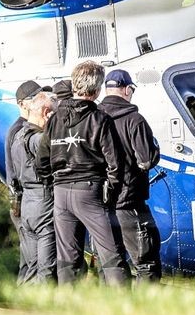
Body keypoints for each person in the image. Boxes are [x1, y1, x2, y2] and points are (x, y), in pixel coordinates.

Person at [42, 60, 127, 285]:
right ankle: (123, 304)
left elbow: (42, 159)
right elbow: (115, 163)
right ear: (97, 89)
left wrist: (52, 182)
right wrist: (111, 190)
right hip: (90, 191)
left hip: (60, 191)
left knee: (67, 258)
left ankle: (68, 307)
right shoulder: (100, 119)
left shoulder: (54, 119)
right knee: (110, 253)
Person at [99, 68, 163, 283]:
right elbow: (146, 160)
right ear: (127, 89)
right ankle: (145, 313)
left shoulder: (93, 118)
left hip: (98, 205)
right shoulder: (135, 120)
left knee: (110, 265)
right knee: (146, 263)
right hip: (130, 203)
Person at [5, 79, 50, 281]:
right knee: (31, 261)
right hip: (25, 199)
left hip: (27, 200)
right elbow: (16, 171)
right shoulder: (21, 131)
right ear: (23, 104)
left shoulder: (24, 129)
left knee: (31, 260)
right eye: (35, 98)